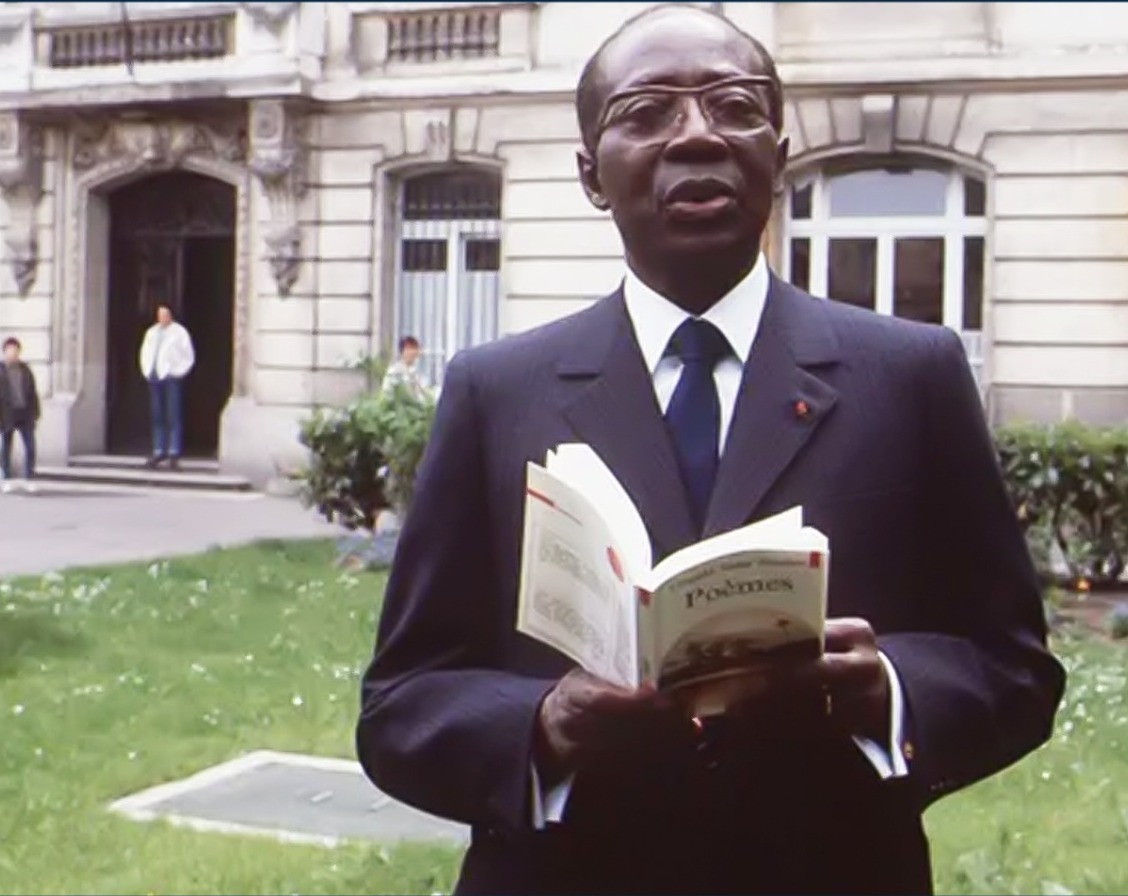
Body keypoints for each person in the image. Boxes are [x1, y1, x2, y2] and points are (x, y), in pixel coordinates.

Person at [356, 6, 1065, 894]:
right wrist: (545, 724)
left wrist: (885, 688)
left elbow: (1015, 667)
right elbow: (400, 704)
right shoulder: (496, 392)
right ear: (590, 174)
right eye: (647, 112)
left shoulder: (912, 373)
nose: (697, 135)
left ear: (780, 145)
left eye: (734, 105)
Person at [138, 304, 194, 470]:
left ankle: (173, 451)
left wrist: (176, 372)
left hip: (171, 378)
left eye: (165, 314)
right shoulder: (152, 332)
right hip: (155, 377)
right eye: (160, 315)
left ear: (170, 315)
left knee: (173, 414)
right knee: (157, 415)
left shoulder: (179, 333)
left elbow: (187, 356)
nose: (162, 318)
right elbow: (145, 353)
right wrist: (147, 371)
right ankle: (158, 450)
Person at [0, 337, 40, 492]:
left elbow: (32, 393)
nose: (13, 353)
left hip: (25, 413)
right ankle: (7, 478)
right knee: (6, 447)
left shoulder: (25, 370)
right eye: (10, 350)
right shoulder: (1, 371)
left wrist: (36, 413)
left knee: (30, 447)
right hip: (7, 414)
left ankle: (29, 477)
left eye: (15, 350)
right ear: (4, 352)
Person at [380, 335, 429, 400]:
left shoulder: (415, 372)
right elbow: (387, 394)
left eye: (415, 348)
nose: (413, 352)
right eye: (410, 348)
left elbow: (423, 394)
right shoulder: (395, 371)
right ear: (403, 351)